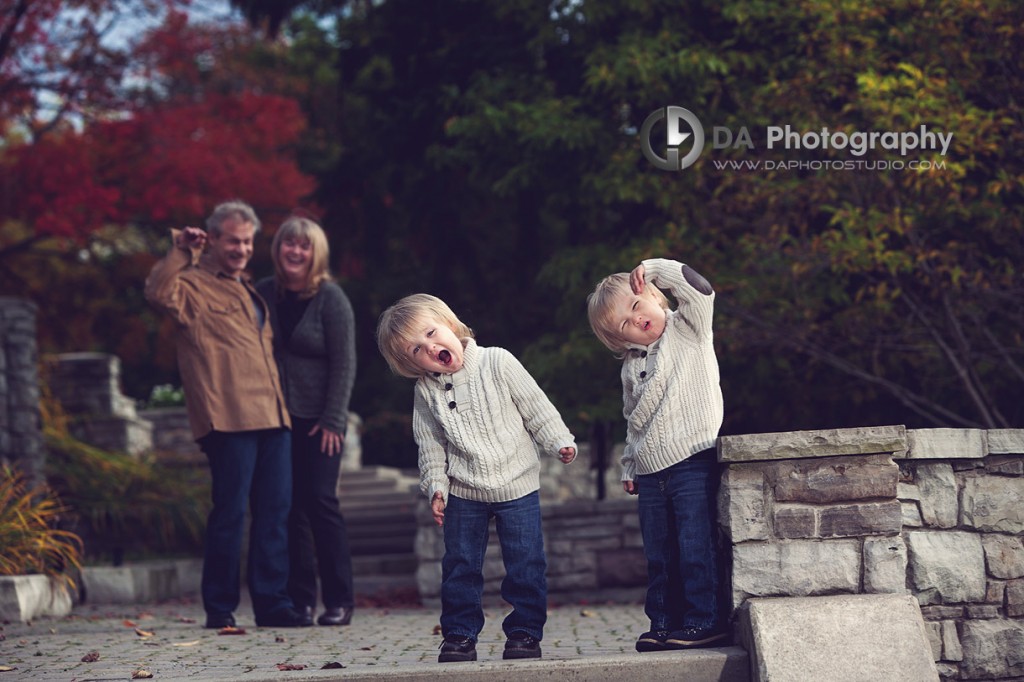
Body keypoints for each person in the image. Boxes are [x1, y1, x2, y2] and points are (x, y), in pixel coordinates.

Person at [375, 294, 577, 663]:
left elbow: (535, 406)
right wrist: (436, 485)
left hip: (517, 483)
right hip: (464, 490)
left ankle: (525, 633)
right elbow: (430, 444)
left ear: (450, 324)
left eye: (433, 333)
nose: (431, 347)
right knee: (461, 565)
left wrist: (558, 440)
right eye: (417, 349)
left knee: (526, 562)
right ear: (410, 362)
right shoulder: (426, 391)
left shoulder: (497, 361)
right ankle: (459, 636)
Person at [144, 200, 310, 629]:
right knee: (230, 513)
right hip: (228, 416)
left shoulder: (249, 289)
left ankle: (273, 605)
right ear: (214, 239)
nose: (241, 248)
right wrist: (182, 250)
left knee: (275, 513)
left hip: (274, 417)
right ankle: (219, 608)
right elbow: (157, 291)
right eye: (233, 240)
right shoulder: (192, 287)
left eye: (247, 241)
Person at [586, 257, 726, 651]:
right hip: (651, 471)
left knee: (695, 546)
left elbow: (700, 289)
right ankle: (664, 622)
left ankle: (704, 621)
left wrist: (652, 268)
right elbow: (633, 420)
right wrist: (630, 463)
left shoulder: (689, 329)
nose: (636, 320)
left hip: (693, 460)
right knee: (660, 554)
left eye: (636, 305)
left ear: (653, 295)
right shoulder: (631, 367)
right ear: (620, 340)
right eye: (624, 324)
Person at [256, 216, 357, 627]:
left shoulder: (331, 299)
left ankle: (340, 599)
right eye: (288, 244)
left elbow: (345, 362)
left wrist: (334, 419)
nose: (295, 252)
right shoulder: (262, 293)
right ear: (278, 249)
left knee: (319, 500)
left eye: (304, 246)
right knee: (289, 507)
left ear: (316, 254)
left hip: (320, 420)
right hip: (275, 418)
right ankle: (302, 601)